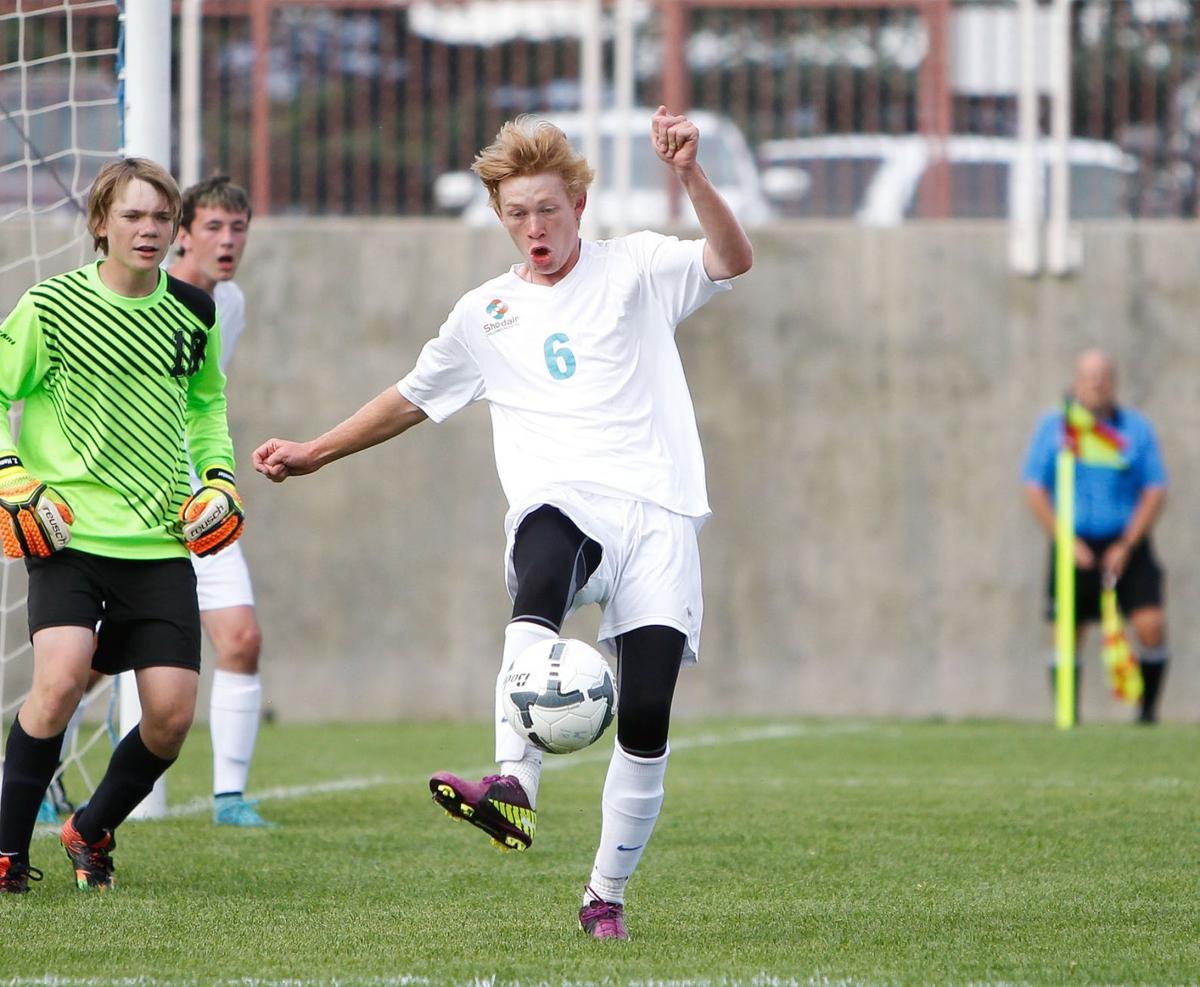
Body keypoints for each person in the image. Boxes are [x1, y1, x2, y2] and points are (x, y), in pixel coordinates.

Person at [252, 106, 753, 940]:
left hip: (660, 517)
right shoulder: (483, 314)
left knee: (648, 717)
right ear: (499, 217)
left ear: (579, 206)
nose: (534, 227)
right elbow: (411, 397)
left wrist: (690, 176)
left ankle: (604, 895)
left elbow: (733, 258)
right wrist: (316, 450)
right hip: (567, 499)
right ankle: (513, 786)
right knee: (542, 547)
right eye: (517, 213)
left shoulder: (635, 267)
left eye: (548, 209)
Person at [0, 157, 245, 894]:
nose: (148, 229)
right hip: (69, 535)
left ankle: (90, 827)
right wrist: (9, 471)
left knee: (170, 716)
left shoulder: (194, 310)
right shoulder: (49, 306)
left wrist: (220, 480)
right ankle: (8, 853)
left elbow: (205, 410)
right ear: (101, 223)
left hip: (162, 540)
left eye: (160, 217)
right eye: (133, 215)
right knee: (61, 680)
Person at [170, 175, 273, 828]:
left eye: (238, 228)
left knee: (240, 638)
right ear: (182, 234)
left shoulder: (228, 303)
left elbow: (205, 403)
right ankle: (38, 784)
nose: (227, 240)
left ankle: (229, 799)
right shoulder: (137, 297)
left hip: (201, 502)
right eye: (213, 226)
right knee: (89, 660)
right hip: (126, 503)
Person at [1021, 348, 1169, 724]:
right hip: (1074, 545)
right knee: (1067, 631)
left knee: (1150, 624)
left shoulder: (1134, 429)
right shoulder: (1055, 428)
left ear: (1113, 381)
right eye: (1089, 376)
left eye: (1104, 375)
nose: (1097, 383)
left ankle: (1146, 714)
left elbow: (1154, 488)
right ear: (1076, 381)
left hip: (1125, 543)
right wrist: (1065, 540)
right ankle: (1067, 715)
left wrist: (1127, 543)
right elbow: (1034, 486)